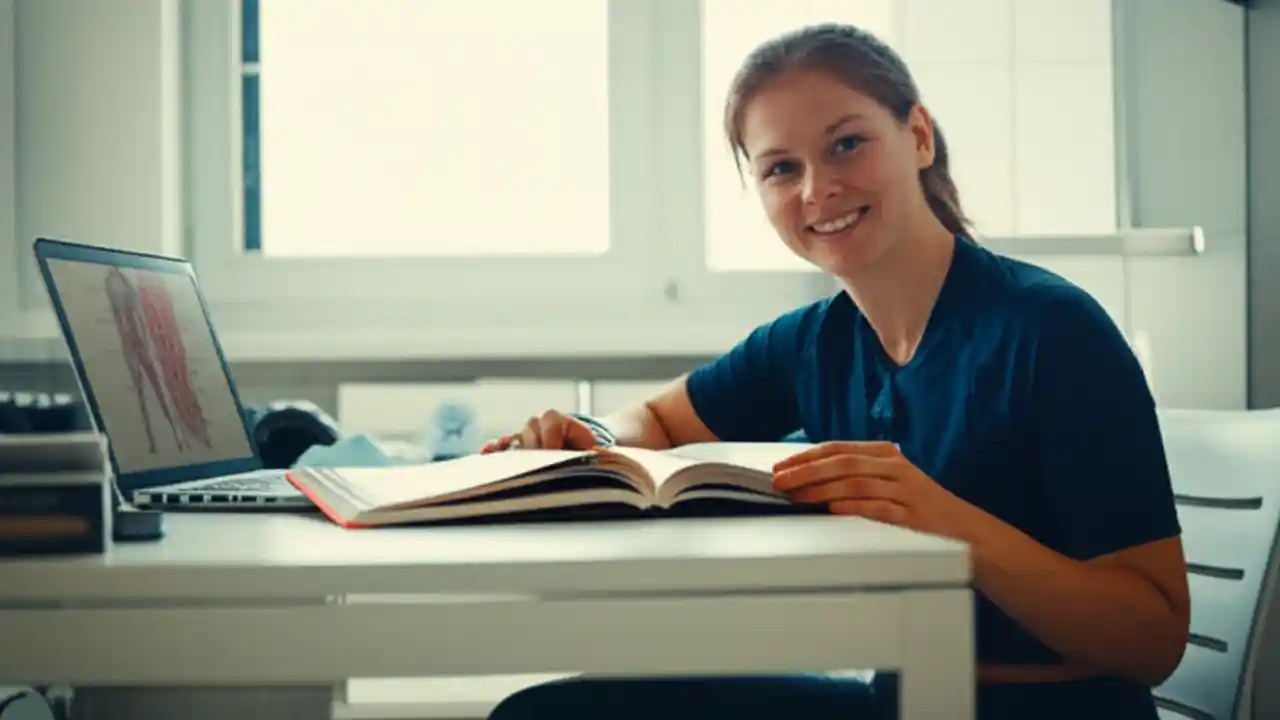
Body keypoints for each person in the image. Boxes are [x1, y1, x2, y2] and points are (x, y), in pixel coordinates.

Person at [483, 22, 1189, 720]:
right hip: (900, 698)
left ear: (919, 137)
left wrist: (947, 523)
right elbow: (660, 420)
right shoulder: (812, 342)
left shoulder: (1053, 331)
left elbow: (1153, 639)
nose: (818, 188)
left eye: (847, 144)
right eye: (781, 168)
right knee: (549, 712)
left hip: (1049, 708)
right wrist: (594, 438)